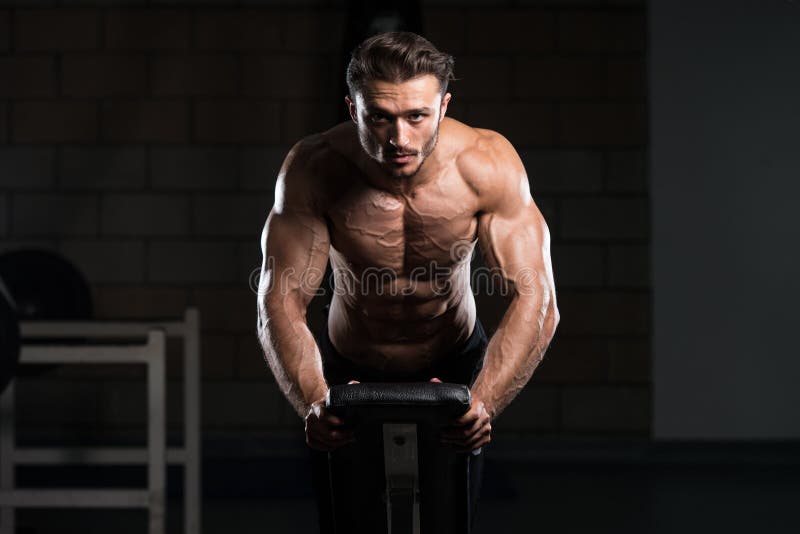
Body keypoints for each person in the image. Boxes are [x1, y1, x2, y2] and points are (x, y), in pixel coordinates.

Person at [256, 31, 560, 531]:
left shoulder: (486, 165)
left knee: (447, 519)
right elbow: (280, 299)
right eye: (380, 116)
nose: (398, 138)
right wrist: (313, 396)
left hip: (456, 363)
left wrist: (484, 400)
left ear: (443, 106)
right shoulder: (314, 169)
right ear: (354, 111)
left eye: (416, 116)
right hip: (348, 367)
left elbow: (538, 297)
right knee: (349, 521)